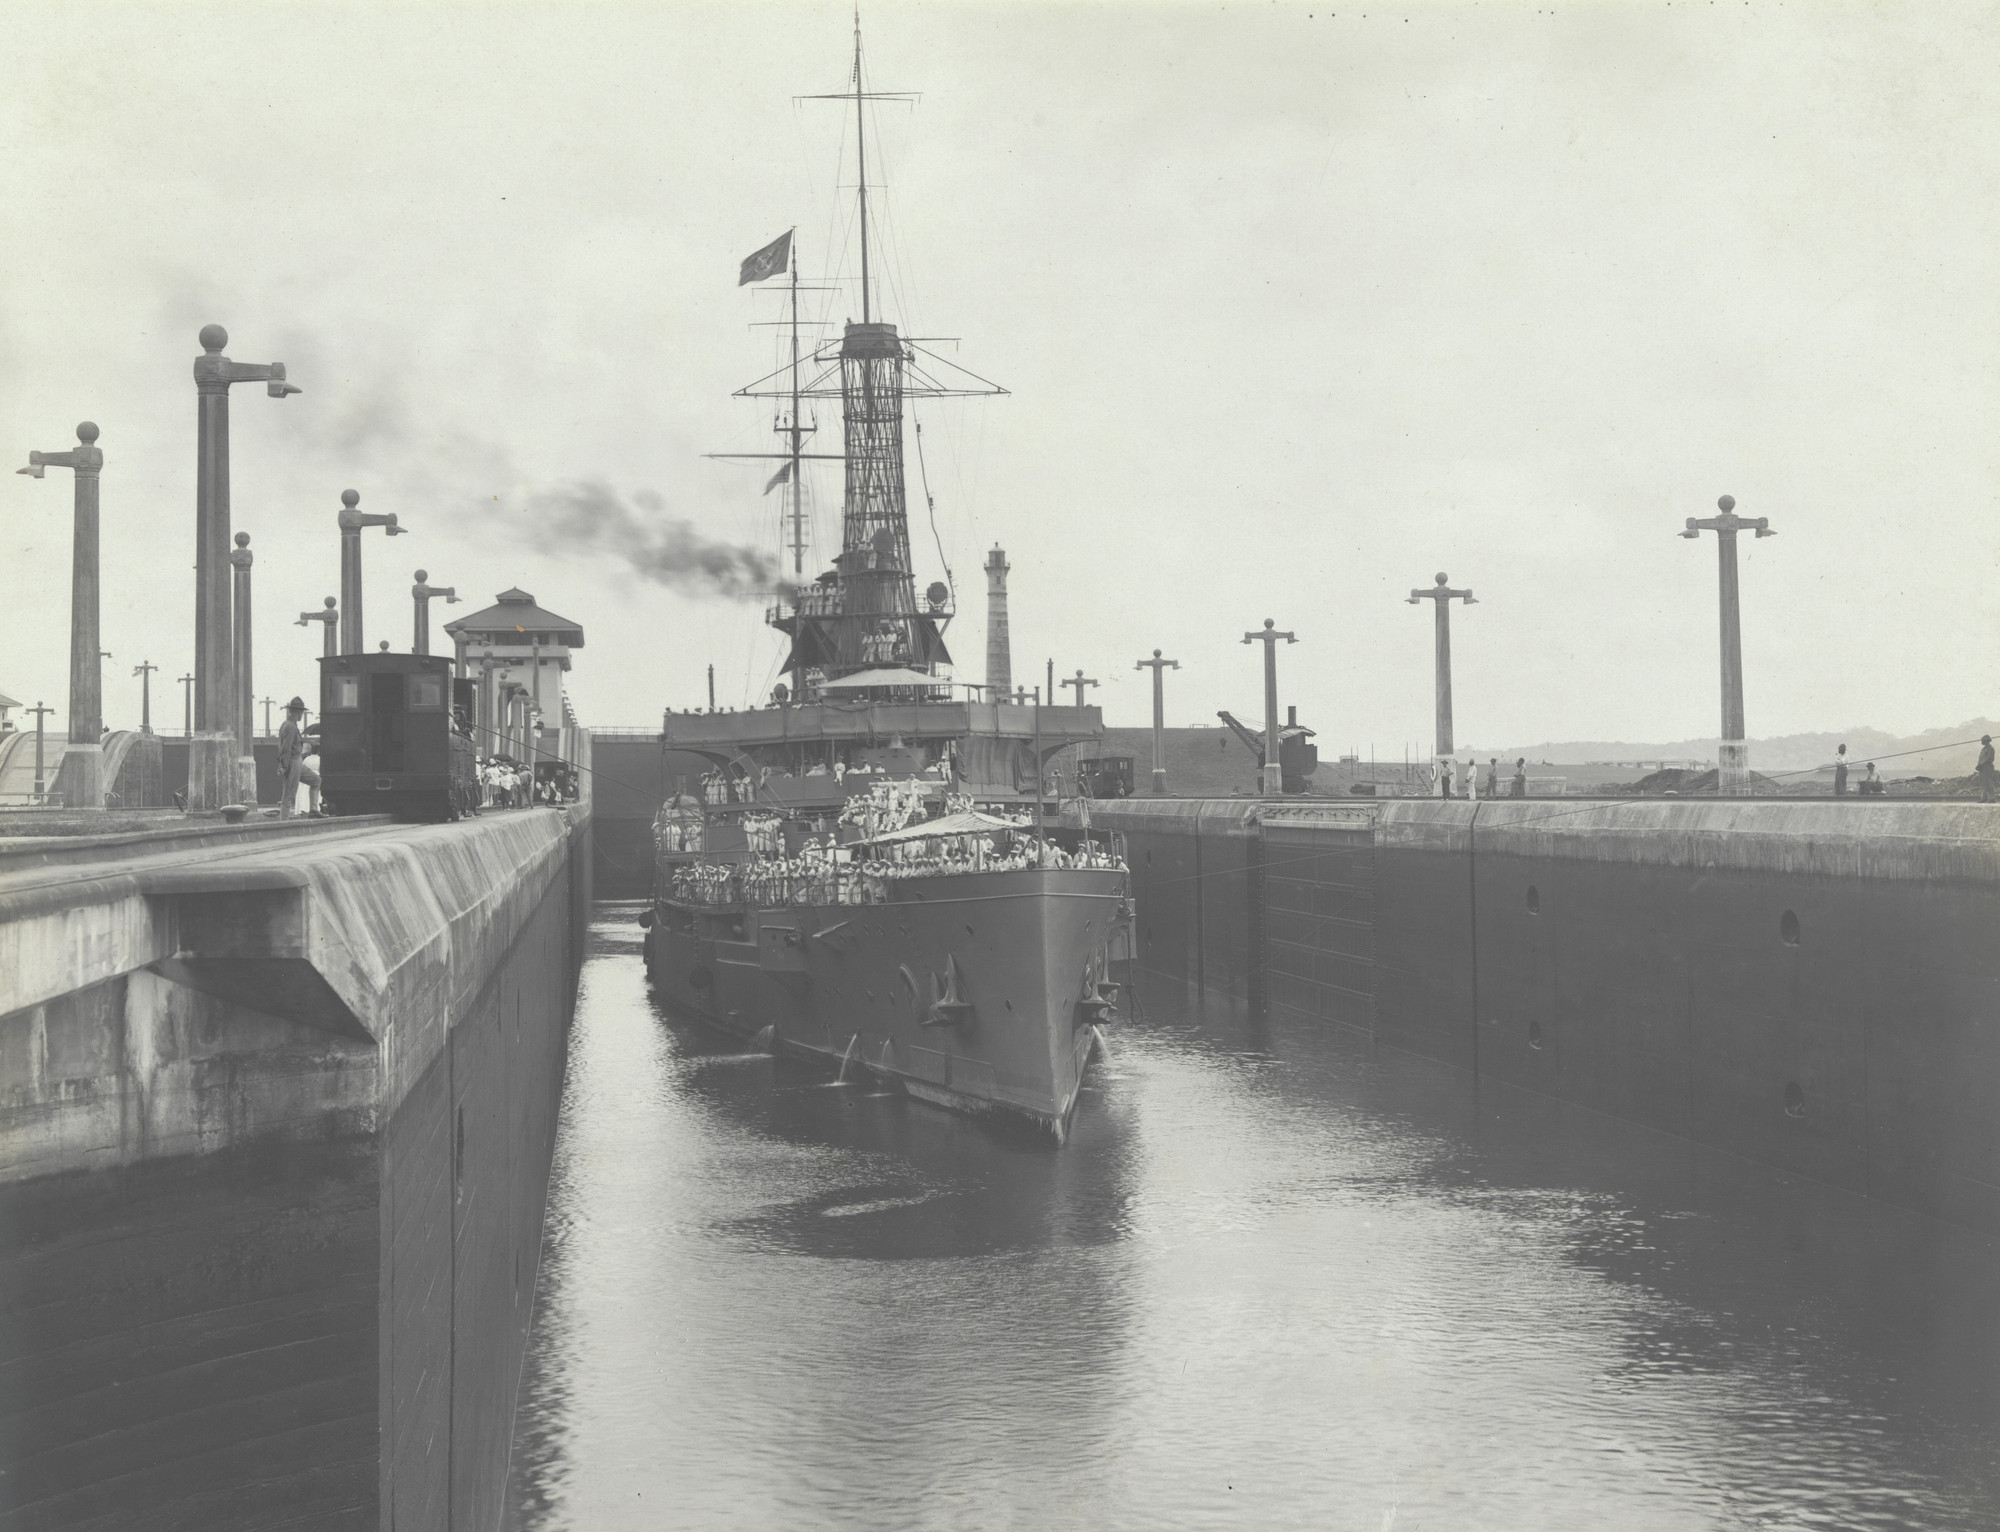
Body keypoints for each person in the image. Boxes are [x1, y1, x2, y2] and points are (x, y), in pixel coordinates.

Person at [277, 697, 319, 819]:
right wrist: (284, 765)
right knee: (288, 795)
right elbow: (286, 748)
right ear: (298, 712)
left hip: (297, 761)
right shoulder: (290, 727)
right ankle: (283, 823)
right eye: (301, 712)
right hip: (293, 762)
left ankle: (313, 810)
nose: (301, 715)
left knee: (316, 781)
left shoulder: (289, 725)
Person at [1979, 735, 1997, 803]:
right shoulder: (1984, 749)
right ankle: (1984, 798)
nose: (1981, 742)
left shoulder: (1990, 748)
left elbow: (1990, 758)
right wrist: (1979, 765)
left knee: (1989, 782)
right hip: (1983, 768)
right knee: (1983, 783)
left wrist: (1981, 764)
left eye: (1982, 740)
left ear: (1986, 741)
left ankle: (1992, 798)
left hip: (1988, 767)